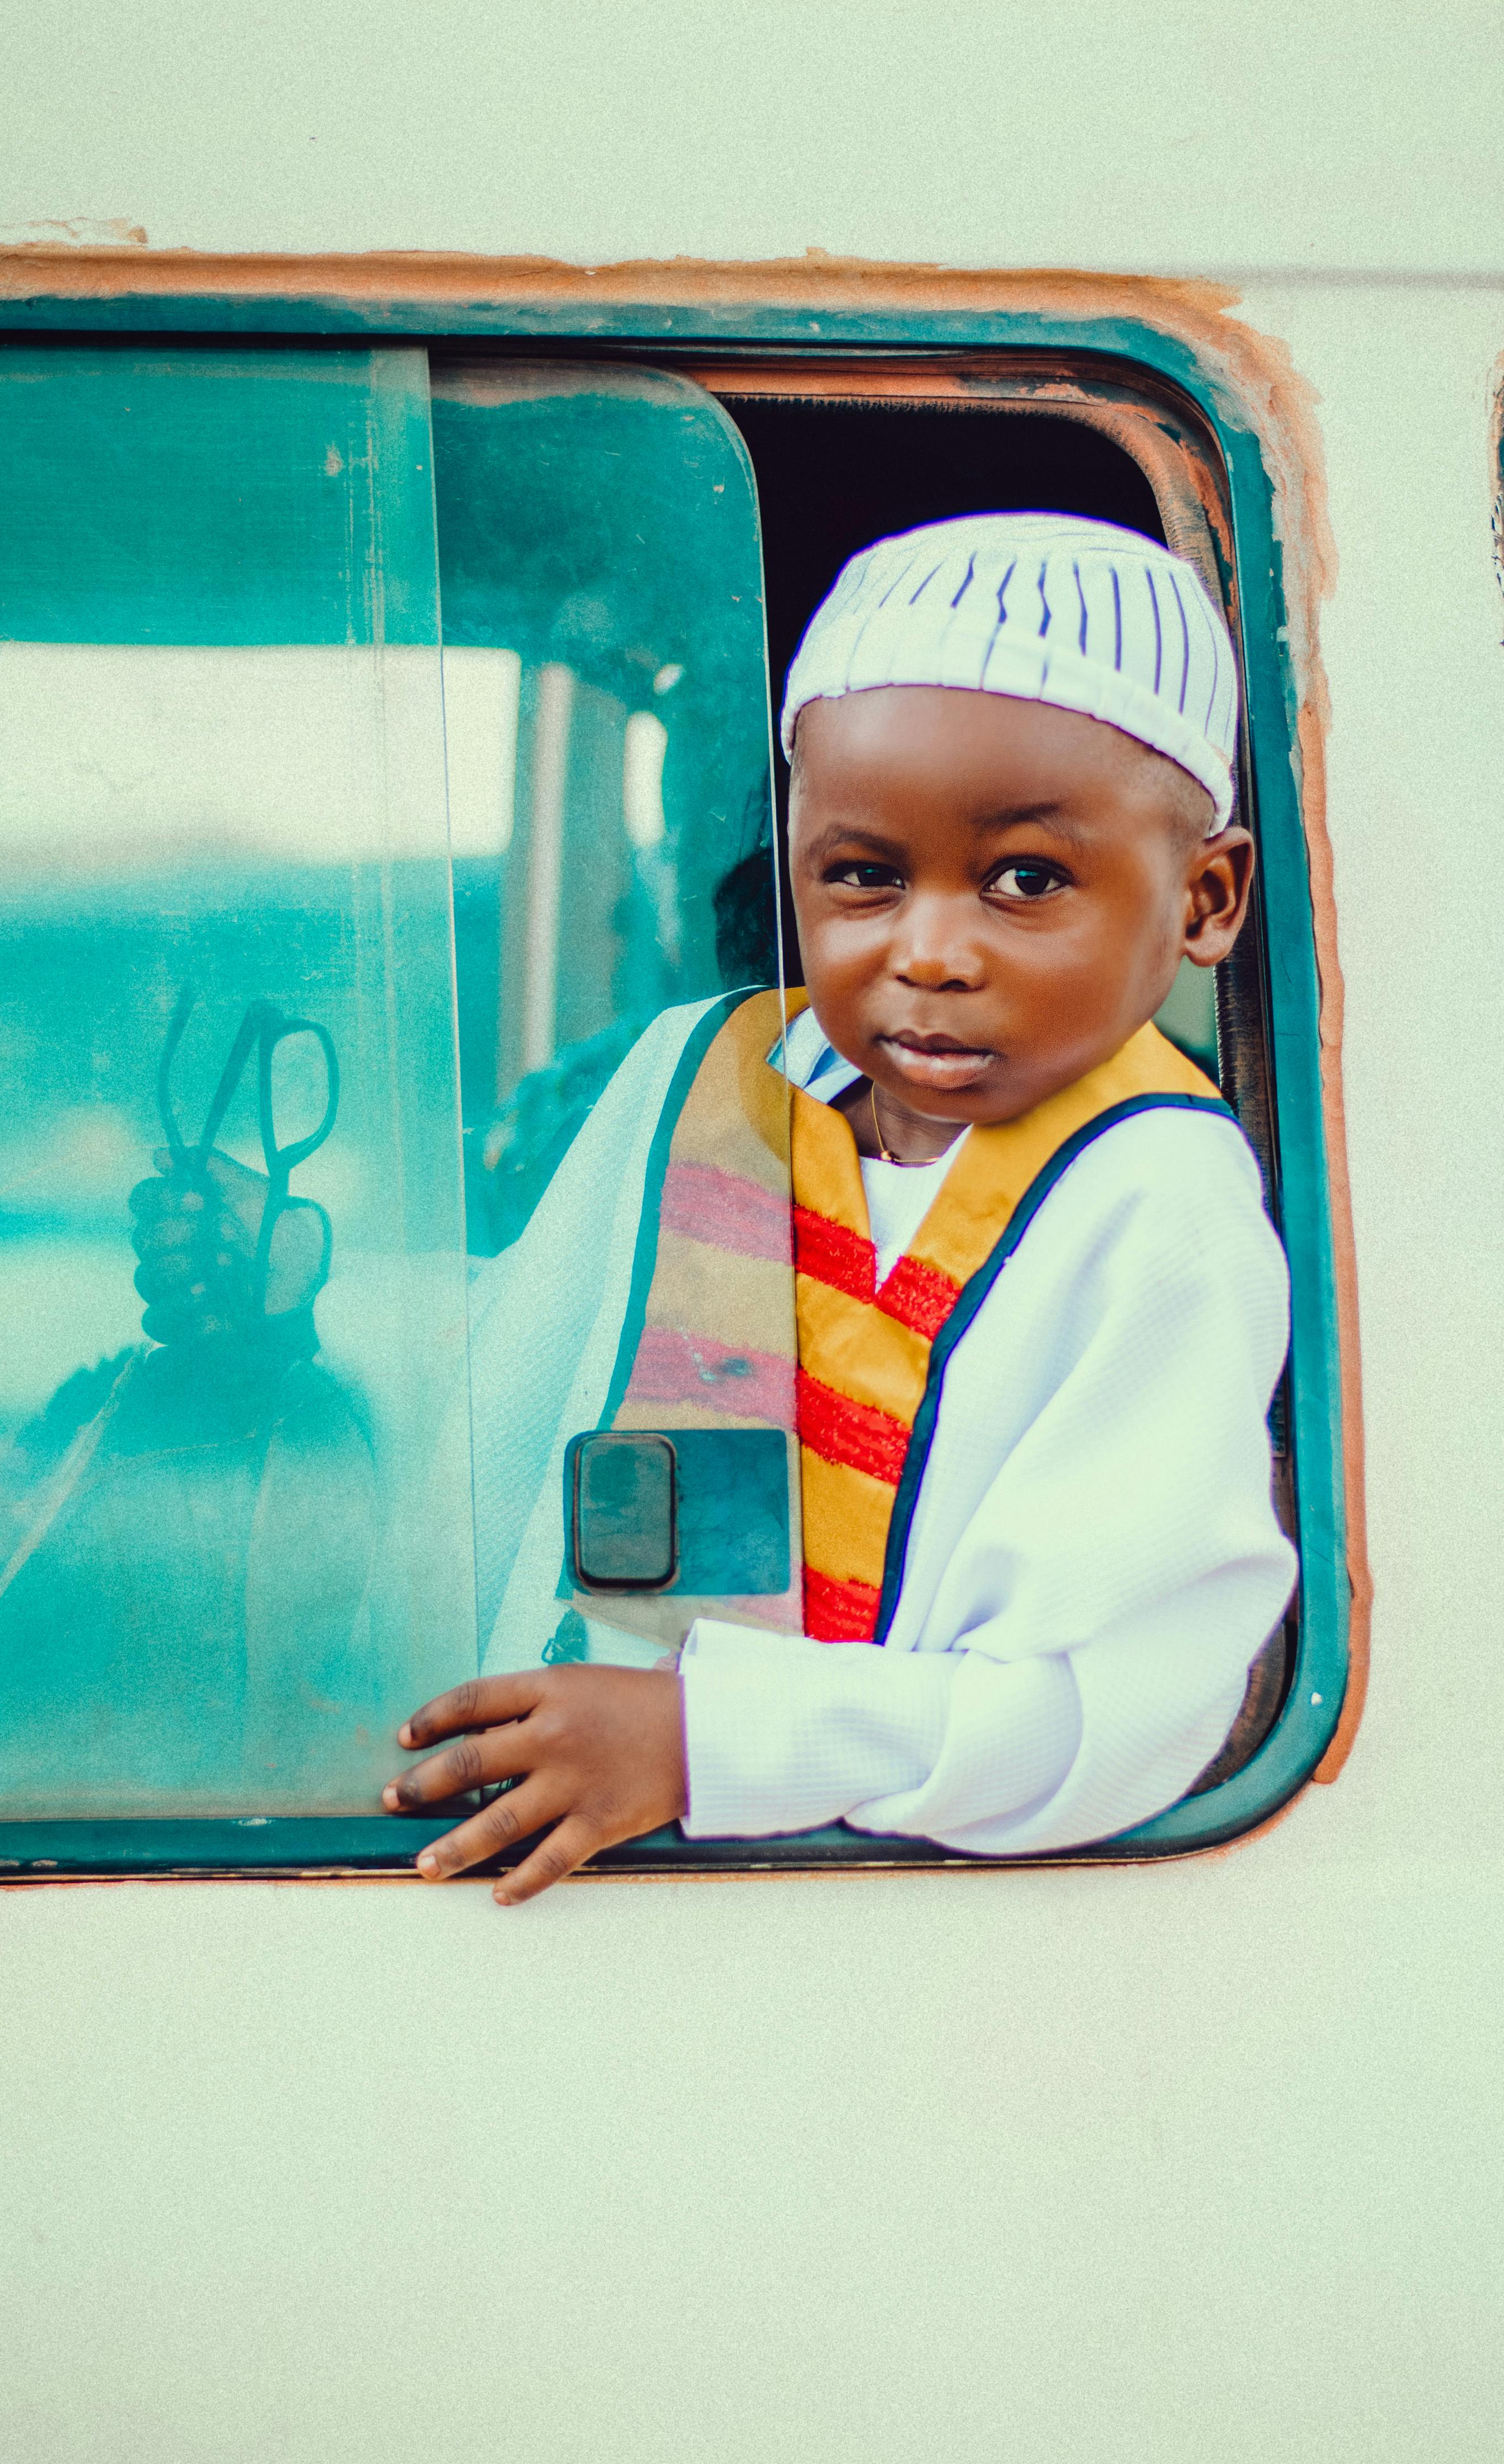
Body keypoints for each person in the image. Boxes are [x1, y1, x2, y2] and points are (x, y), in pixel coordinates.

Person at [377, 511, 1298, 1900]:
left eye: (1025, 881)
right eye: (863, 876)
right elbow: (501, 1382)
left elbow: (1104, 1723)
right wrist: (293, 1304)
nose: (928, 952)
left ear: (1205, 899)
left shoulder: (1158, 1213)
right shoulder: (696, 1074)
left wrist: (706, 1742)